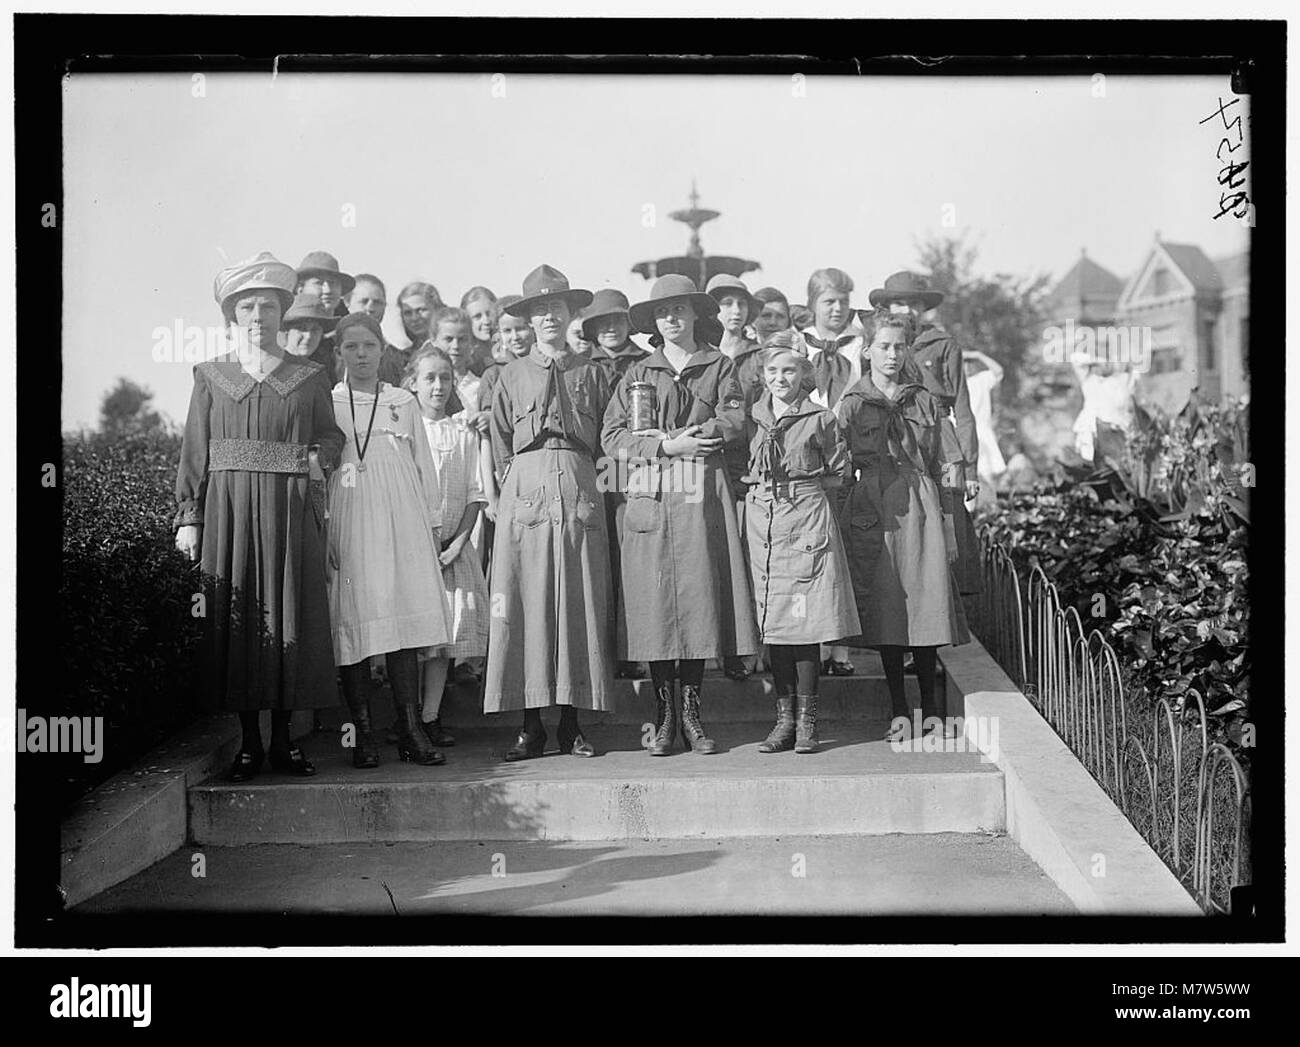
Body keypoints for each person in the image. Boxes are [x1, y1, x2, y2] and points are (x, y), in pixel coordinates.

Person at [174, 252, 344, 782]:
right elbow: (195, 450)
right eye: (246, 307)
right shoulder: (211, 376)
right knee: (241, 618)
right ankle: (249, 743)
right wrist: (189, 516)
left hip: (290, 510)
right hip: (228, 512)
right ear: (231, 314)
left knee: (290, 613)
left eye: (267, 306)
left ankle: (284, 742)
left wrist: (317, 458)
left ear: (281, 312)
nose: (257, 316)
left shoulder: (309, 376)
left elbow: (331, 434)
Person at [602, 274, 760, 756]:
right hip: (652, 494)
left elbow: (735, 419)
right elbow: (612, 438)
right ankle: (664, 715)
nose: (671, 319)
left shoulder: (719, 365)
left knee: (697, 600)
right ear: (653, 321)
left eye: (679, 310)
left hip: (700, 497)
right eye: (662, 312)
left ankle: (692, 714)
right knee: (655, 607)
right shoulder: (638, 374)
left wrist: (696, 436)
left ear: (695, 315)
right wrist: (668, 445)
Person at [485, 264, 615, 761]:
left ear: (570, 313)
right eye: (539, 310)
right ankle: (530, 727)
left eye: (556, 308)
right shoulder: (509, 374)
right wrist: (517, 489)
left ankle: (573, 726)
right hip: (527, 491)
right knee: (527, 603)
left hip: (580, 485)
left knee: (579, 603)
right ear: (529, 319)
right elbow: (500, 443)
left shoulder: (594, 371)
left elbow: (609, 441)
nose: (548, 318)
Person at [327, 312, 453, 768]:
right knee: (356, 618)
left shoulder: (403, 400)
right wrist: (326, 526)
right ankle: (362, 734)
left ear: (382, 350)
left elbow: (424, 466)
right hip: (351, 515)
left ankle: (411, 729)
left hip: (403, 518)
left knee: (404, 619)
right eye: (351, 347)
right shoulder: (330, 401)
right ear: (339, 352)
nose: (361, 355)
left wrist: (432, 525)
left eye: (369, 346)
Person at [836, 313, 970, 742]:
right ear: (867, 351)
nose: (892, 355)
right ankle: (898, 711)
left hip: (921, 505)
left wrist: (948, 526)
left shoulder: (924, 401)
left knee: (926, 610)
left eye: (899, 346)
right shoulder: (852, 403)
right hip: (874, 510)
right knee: (888, 614)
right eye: (884, 346)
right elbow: (839, 468)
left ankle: (931, 712)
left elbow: (945, 464)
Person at [743, 337, 860, 754]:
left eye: (789, 370)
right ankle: (784, 721)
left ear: (804, 375)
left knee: (803, 621)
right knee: (775, 625)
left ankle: (808, 720)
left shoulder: (820, 418)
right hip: (764, 524)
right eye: (773, 371)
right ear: (762, 375)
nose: (781, 379)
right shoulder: (752, 418)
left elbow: (839, 473)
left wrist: (804, 494)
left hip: (806, 520)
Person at [869, 270, 982, 596]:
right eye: (899, 304)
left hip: (941, 437)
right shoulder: (881, 344)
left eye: (914, 304)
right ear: (887, 308)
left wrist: (970, 469)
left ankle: (953, 602)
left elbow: (963, 408)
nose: (907, 311)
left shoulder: (943, 345)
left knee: (949, 513)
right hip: (897, 437)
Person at [405, 345, 490, 747]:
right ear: (413, 383)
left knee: (443, 640)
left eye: (445, 378)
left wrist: (458, 543)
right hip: (413, 550)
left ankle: (431, 716)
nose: (438, 386)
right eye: (429, 378)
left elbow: (475, 493)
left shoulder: (462, 431)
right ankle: (406, 718)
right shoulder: (406, 432)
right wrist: (419, 544)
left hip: (451, 550)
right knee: (412, 639)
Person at [801, 267, 867, 677]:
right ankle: (810, 646)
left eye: (843, 301)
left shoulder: (860, 347)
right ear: (812, 305)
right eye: (828, 301)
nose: (837, 309)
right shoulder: (799, 345)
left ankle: (840, 650)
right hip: (809, 459)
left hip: (849, 456)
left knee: (843, 553)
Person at [581, 288, 648, 681]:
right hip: (590, 468)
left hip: (627, 470)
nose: (610, 328)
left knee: (629, 557)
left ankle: (629, 650)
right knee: (594, 558)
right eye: (601, 322)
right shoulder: (580, 364)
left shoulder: (643, 363)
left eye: (617, 320)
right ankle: (595, 654)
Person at [706, 273, 765, 681]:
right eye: (726, 303)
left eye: (741, 303)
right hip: (709, 467)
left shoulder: (758, 358)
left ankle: (750, 649)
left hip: (746, 469)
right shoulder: (702, 356)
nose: (735, 311)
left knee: (748, 557)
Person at [1071, 351, 1138, 463]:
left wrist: (1116, 365)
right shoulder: (1089, 380)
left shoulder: (1122, 382)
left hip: (1118, 434)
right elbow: (1076, 359)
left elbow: (1132, 369)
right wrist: (1098, 361)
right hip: (1092, 433)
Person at [963, 349, 1007, 508]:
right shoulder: (949, 385)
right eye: (962, 363)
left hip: (982, 436)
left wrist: (978, 355)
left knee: (987, 479)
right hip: (961, 437)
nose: (966, 367)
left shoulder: (980, 380)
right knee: (964, 483)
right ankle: (969, 515)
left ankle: (989, 514)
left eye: (969, 363)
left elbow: (998, 371)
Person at [583, 289, 647, 387]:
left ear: (629, 325)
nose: (612, 328)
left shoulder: (647, 363)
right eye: (604, 322)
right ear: (594, 327)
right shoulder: (580, 363)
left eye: (618, 320)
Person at [281, 291, 339, 384]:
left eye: (315, 330)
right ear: (287, 331)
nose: (308, 336)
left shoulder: (324, 372)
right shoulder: (272, 366)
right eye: (301, 329)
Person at [460, 285, 499, 374]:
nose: (486, 321)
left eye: (489, 314)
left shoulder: (507, 347)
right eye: (477, 316)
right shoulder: (463, 355)